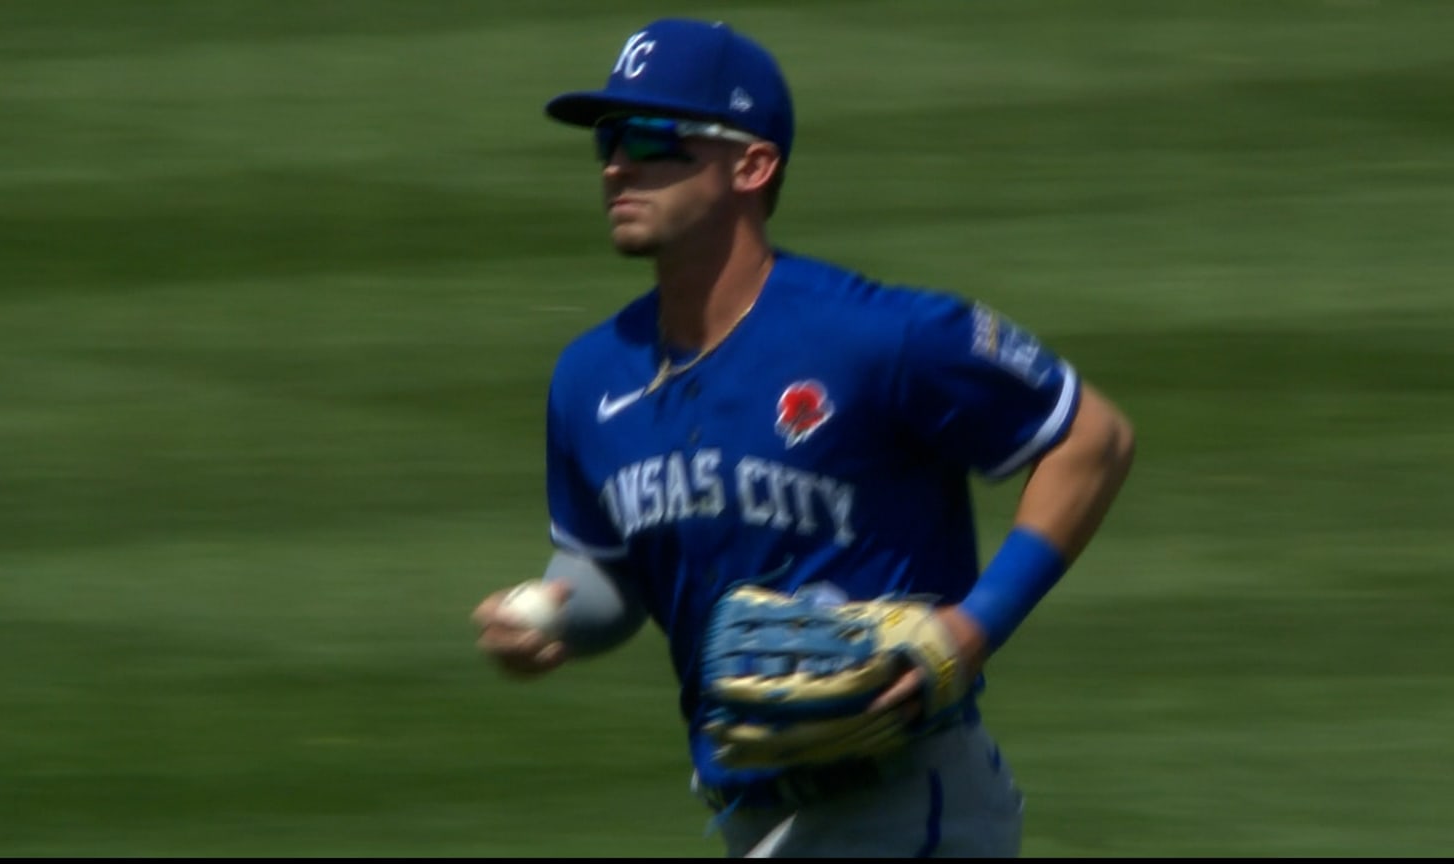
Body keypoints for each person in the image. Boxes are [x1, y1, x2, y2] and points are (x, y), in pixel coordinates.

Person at [473, 17, 1136, 858]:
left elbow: (1093, 438)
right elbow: (605, 571)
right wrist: (555, 619)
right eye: (607, 137)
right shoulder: (590, 376)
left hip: (901, 800)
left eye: (651, 136)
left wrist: (972, 632)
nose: (616, 163)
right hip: (751, 817)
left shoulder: (875, 335)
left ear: (752, 164)